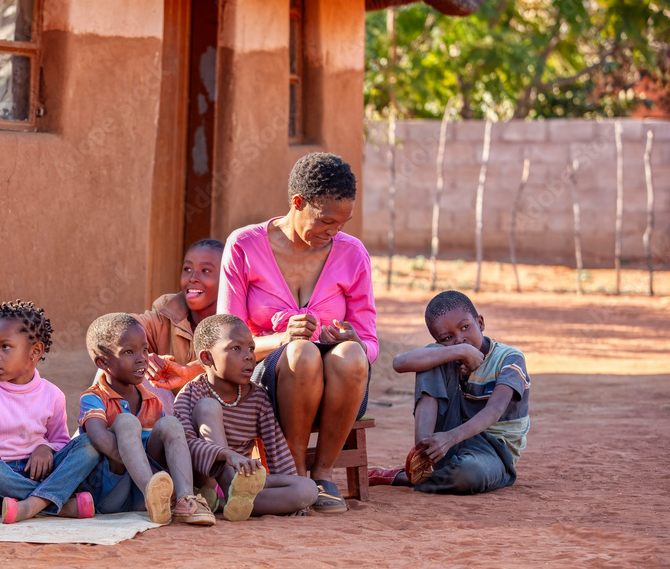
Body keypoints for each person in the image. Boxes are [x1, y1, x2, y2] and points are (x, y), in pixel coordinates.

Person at [218, 153, 378, 513]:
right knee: (301, 353)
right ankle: (295, 474)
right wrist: (282, 339)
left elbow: (370, 343)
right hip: (264, 379)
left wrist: (351, 338)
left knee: (351, 354)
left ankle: (322, 476)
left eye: (342, 223)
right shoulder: (244, 245)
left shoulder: (353, 254)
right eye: (325, 221)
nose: (333, 232)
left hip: (342, 389)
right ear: (297, 203)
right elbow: (225, 341)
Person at [0, 301, 99, 524]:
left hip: (39, 472)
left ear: (35, 351)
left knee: (90, 443)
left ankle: (32, 505)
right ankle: (53, 504)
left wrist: (46, 448)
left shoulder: (53, 395)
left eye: (5, 346)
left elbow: (61, 442)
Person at [369, 290, 529, 494]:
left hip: (493, 452)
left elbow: (495, 410)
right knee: (431, 358)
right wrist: (459, 351)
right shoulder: (451, 353)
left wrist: (451, 438)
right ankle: (423, 456)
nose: (460, 339)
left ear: (480, 323)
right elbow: (399, 362)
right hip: (444, 442)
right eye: (447, 337)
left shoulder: (510, 359)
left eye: (465, 327)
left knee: (469, 475)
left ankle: (407, 478)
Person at [175, 315, 319, 521]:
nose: (249, 356)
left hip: (244, 482)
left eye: (251, 348)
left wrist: (297, 498)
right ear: (207, 358)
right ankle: (222, 495)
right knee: (208, 406)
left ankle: (225, 504)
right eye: (236, 348)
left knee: (307, 489)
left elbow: (277, 450)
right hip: (205, 482)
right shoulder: (191, 393)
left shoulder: (258, 398)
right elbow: (185, 445)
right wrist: (226, 455)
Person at [78, 313, 215, 526]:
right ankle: (154, 493)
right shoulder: (94, 398)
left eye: (144, 349)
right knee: (126, 422)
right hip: (110, 494)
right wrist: (142, 468)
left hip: (141, 498)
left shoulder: (152, 400)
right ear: (102, 362)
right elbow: (97, 436)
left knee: (170, 424)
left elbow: (165, 446)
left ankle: (185, 499)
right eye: (129, 352)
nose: (142, 358)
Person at [136, 239, 225, 392]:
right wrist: (141, 356)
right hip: (169, 413)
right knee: (119, 362)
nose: (192, 277)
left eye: (206, 271)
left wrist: (191, 370)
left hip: (217, 413)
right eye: (187, 269)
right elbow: (116, 329)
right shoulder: (166, 311)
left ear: (228, 277)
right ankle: (95, 414)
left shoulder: (241, 321)